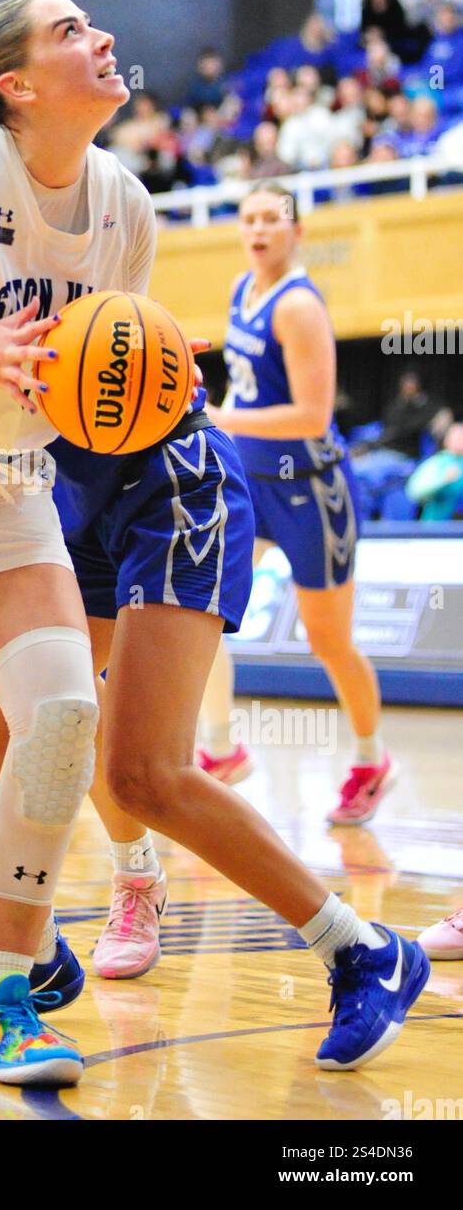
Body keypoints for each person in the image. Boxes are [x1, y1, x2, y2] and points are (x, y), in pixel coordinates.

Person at [0, 0, 427, 1079]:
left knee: (135, 771)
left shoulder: (107, 200)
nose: (99, 39)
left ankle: (358, 947)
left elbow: (99, 377)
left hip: (158, 485)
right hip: (34, 490)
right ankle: (25, 957)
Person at [207, 184, 394, 827]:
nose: (259, 229)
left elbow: (313, 414)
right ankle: (222, 750)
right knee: (205, 614)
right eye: (249, 218)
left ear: (296, 232)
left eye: (272, 220)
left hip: (311, 488)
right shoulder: (241, 289)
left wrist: (222, 419)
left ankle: (371, 760)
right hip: (255, 483)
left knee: (329, 641)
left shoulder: (298, 305)